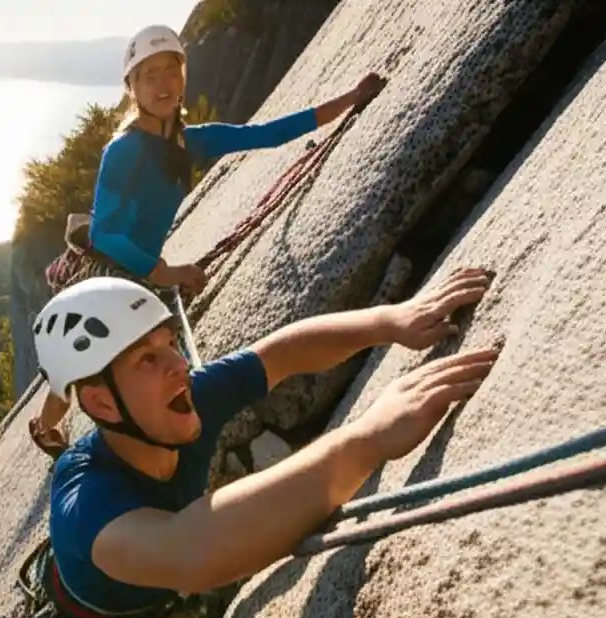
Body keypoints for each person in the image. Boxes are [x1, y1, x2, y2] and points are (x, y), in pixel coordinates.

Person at [33, 268, 497, 618]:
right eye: (146, 359)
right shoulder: (85, 504)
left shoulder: (181, 399)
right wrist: (365, 438)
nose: (179, 365)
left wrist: (390, 321)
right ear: (101, 403)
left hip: (164, 588)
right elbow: (192, 551)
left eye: (170, 342)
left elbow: (280, 355)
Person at [28, 24, 387, 458]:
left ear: (183, 76)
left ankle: (170, 442)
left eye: (170, 71)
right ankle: (46, 427)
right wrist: (168, 272)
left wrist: (350, 99)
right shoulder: (122, 151)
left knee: (141, 361)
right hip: (108, 269)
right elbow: (106, 234)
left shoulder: (188, 142)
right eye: (149, 76)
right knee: (79, 366)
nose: (163, 84)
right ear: (132, 88)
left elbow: (264, 134)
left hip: (140, 268)